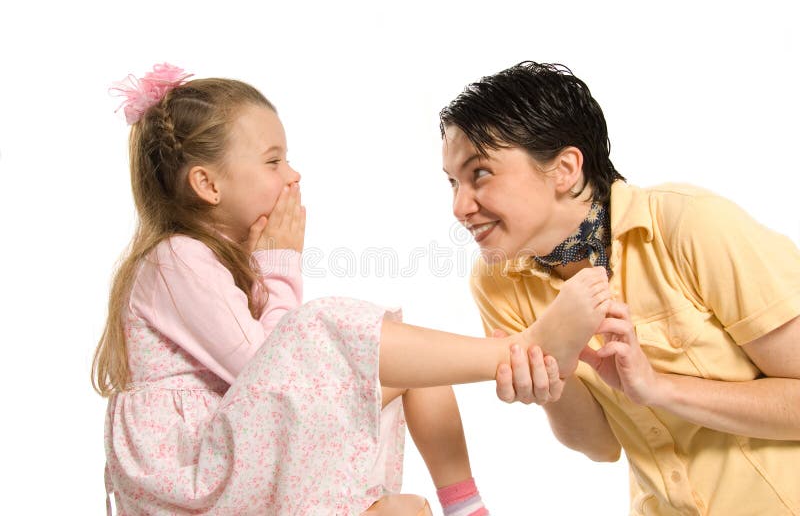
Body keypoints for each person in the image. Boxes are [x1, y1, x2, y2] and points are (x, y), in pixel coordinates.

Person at [93, 63, 611, 516]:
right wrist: (280, 265)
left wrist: (267, 267)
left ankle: (466, 504)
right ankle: (517, 351)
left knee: (401, 357)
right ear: (208, 185)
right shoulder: (175, 258)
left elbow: (278, 383)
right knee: (326, 329)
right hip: (194, 477)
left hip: (234, 450)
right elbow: (270, 369)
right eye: (273, 161)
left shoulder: (223, 262)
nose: (292, 175)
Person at [440, 61, 800, 516]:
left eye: (480, 174)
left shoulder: (687, 224)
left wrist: (656, 388)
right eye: (452, 182)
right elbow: (599, 445)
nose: (459, 206)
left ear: (565, 168)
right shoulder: (496, 284)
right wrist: (553, 380)